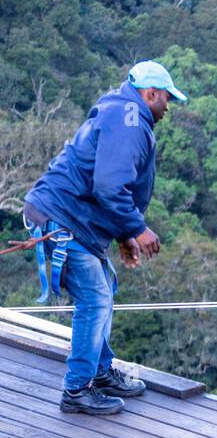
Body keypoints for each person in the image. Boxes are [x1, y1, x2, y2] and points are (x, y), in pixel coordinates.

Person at [22, 60, 188, 416]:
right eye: (167, 98)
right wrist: (138, 229)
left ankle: (99, 373)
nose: (168, 107)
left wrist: (125, 234)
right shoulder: (131, 120)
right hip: (62, 217)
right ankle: (77, 390)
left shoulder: (122, 109)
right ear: (151, 93)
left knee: (104, 287)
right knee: (95, 299)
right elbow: (110, 187)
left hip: (71, 218)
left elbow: (107, 186)